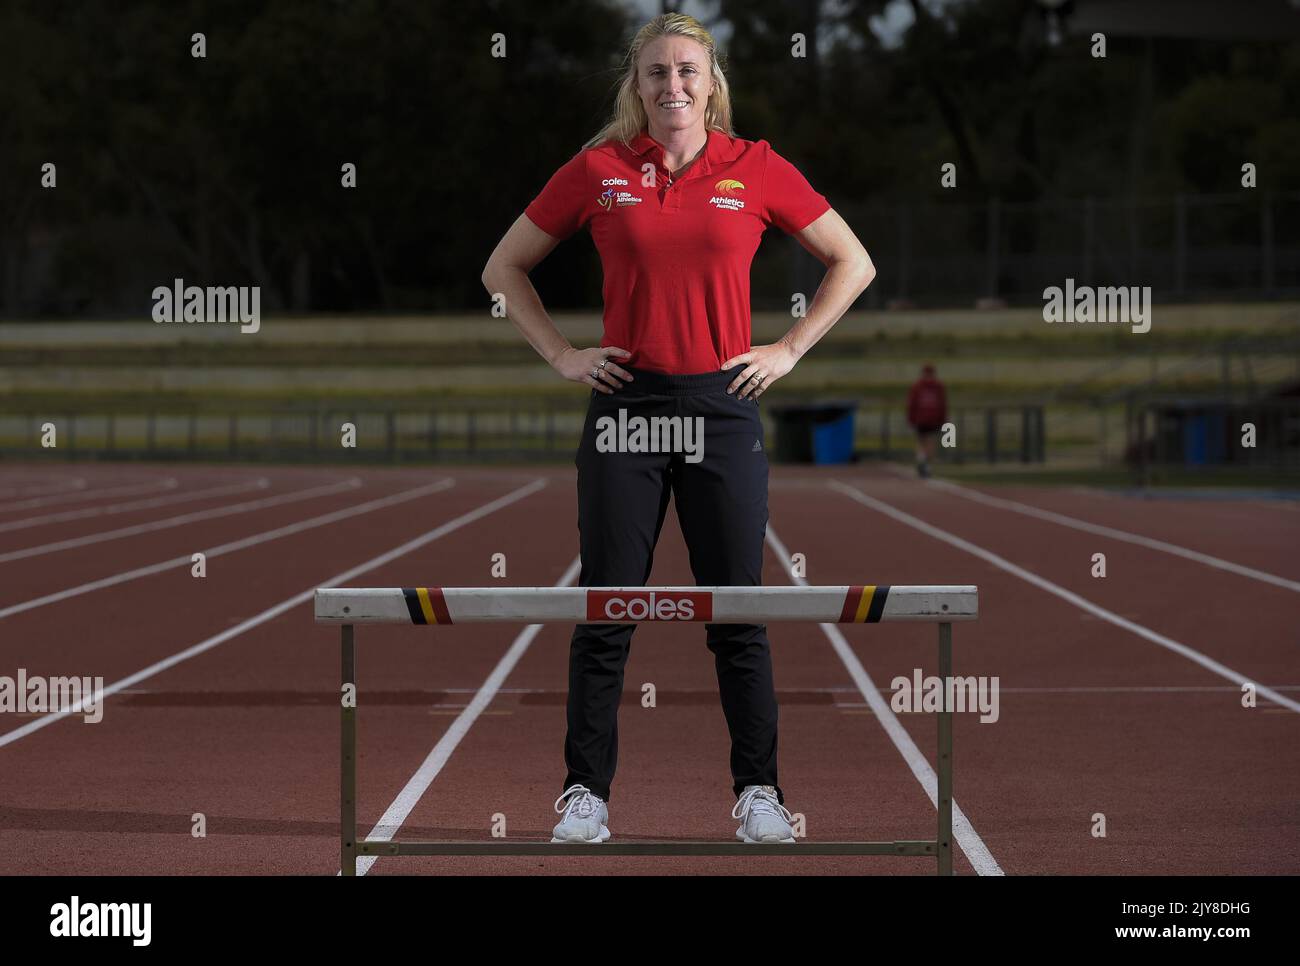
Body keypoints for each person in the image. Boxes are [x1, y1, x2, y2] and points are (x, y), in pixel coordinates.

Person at [481, 13, 875, 844]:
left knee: (737, 609)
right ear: (637, 84)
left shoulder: (755, 167)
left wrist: (792, 347)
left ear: (711, 80)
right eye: (657, 72)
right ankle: (585, 797)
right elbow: (503, 266)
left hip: (723, 408)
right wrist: (560, 353)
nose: (673, 87)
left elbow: (854, 259)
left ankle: (760, 796)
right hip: (626, 405)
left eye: (688, 71)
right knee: (606, 607)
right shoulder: (598, 171)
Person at [907, 364, 947, 478]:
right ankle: (925, 464)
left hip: (923, 419)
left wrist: (911, 418)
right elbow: (942, 404)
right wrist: (942, 418)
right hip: (931, 419)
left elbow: (912, 404)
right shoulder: (937, 386)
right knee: (929, 441)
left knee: (923, 441)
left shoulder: (918, 386)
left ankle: (922, 459)